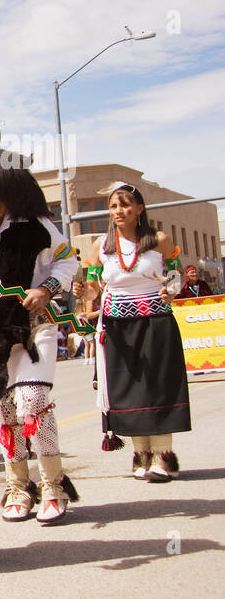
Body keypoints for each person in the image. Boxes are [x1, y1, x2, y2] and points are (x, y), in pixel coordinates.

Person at [0, 149, 81, 524]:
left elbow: (69, 259)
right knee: (5, 410)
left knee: (33, 399)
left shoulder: (35, 224)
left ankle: (53, 484)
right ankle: (18, 486)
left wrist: (48, 288)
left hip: (35, 326)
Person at [76, 183, 190, 483]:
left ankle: (164, 456)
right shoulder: (101, 246)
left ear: (139, 208)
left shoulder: (159, 241)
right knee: (130, 387)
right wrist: (82, 289)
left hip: (156, 321)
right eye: (113, 206)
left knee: (159, 385)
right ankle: (141, 454)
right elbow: (93, 287)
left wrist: (171, 290)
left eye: (125, 205)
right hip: (117, 326)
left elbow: (176, 276)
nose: (119, 212)